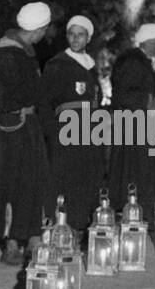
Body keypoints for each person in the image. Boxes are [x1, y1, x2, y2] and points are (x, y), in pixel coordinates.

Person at [0, 1, 54, 266]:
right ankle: (11, 243)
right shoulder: (6, 54)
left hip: (27, 127)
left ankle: (32, 236)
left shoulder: (23, 52)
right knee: (12, 183)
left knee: (33, 181)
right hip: (12, 129)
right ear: (39, 29)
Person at [40, 15, 106, 232]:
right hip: (66, 133)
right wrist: (52, 133)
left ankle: (82, 225)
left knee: (88, 177)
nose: (76, 39)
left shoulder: (91, 66)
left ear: (88, 38)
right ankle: (62, 227)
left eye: (81, 35)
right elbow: (44, 102)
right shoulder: (57, 65)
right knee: (66, 179)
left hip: (91, 132)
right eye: (72, 34)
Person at [107, 22, 155, 213]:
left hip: (140, 124)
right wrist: (147, 100)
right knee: (132, 169)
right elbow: (122, 94)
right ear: (150, 41)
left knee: (140, 168)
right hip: (132, 126)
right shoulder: (133, 61)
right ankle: (131, 207)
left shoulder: (142, 60)